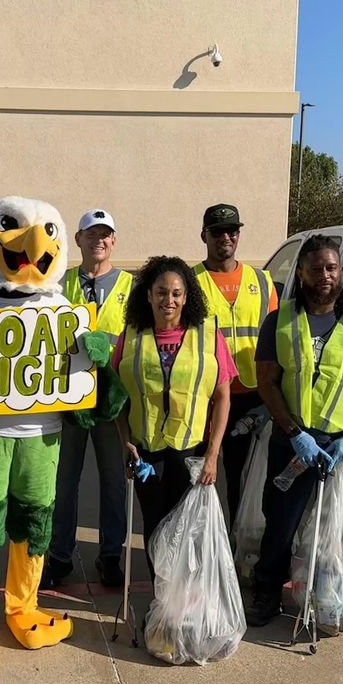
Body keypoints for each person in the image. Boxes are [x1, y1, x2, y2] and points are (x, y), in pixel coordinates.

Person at [246, 234, 343, 626]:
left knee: (333, 529)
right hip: (294, 442)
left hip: (338, 444)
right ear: (301, 272)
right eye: (317, 267)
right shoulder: (280, 320)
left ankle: (323, 594)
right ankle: (268, 587)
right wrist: (293, 433)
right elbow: (267, 382)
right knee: (281, 523)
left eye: (332, 268)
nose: (325, 275)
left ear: (341, 272)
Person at [114, 256, 235, 580]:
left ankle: (186, 604)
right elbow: (118, 399)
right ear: (149, 295)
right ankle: (162, 603)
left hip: (190, 451)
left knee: (187, 531)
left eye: (177, 293)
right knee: (155, 528)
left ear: (187, 296)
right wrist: (125, 442)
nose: (169, 300)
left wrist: (212, 454)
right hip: (147, 452)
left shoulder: (208, 335)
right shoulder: (131, 336)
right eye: (162, 292)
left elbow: (222, 397)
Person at [43, 208, 134, 590]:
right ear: (77, 240)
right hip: (69, 401)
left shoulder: (133, 286)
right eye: (90, 234)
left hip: (112, 402)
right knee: (63, 482)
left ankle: (111, 555)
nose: (99, 240)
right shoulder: (58, 285)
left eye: (105, 234)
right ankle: (60, 555)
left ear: (114, 240)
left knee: (114, 481)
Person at [192, 203, 278, 521]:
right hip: (206, 398)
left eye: (232, 231)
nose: (225, 237)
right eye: (217, 232)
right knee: (200, 477)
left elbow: (275, 341)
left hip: (253, 398)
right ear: (204, 235)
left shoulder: (263, 281)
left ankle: (237, 547)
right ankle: (202, 544)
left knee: (244, 481)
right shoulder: (189, 282)